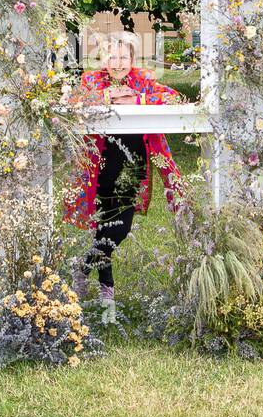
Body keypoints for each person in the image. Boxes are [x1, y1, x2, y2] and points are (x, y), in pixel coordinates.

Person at [64, 33, 185, 303]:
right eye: (112, 57)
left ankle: (83, 270)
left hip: (133, 162)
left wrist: (138, 101)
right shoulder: (92, 80)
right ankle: (107, 290)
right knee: (105, 224)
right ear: (103, 59)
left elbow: (174, 98)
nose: (118, 63)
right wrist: (106, 96)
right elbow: (75, 101)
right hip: (102, 162)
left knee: (121, 226)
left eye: (123, 57)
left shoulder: (142, 80)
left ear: (132, 58)